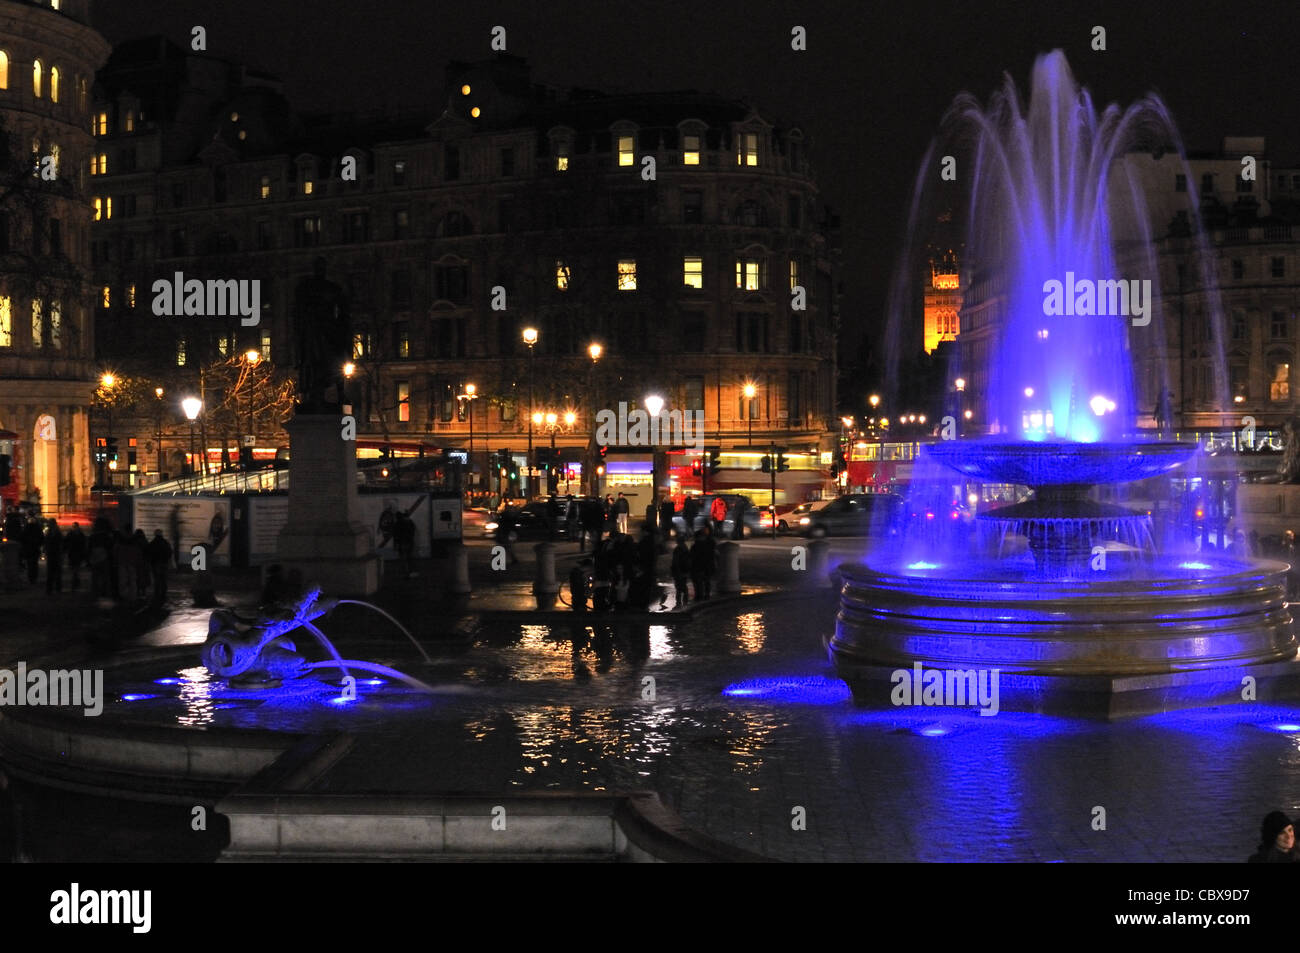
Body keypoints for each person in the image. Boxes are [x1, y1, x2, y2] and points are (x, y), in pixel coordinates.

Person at [146, 529, 173, 604]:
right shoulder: (165, 542)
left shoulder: (153, 543)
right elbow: (170, 552)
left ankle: (157, 593)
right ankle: (163, 594)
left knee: (157, 579)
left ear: (155, 534)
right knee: (163, 579)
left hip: (155, 563)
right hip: (164, 563)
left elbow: (149, 553)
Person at [691, 526, 716, 600]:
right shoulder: (708, 544)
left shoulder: (697, 546)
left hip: (700, 567)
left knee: (700, 582)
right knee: (705, 582)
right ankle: (704, 595)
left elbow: (693, 557)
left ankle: (700, 595)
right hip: (705, 566)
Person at [42, 520, 63, 594]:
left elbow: (47, 542)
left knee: (52, 572)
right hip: (54, 553)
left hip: (54, 553)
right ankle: (54, 588)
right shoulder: (55, 532)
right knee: (54, 572)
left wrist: (45, 550)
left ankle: (52, 588)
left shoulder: (51, 532)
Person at [671, 533, 691, 609]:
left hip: (678, 571)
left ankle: (679, 602)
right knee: (683, 585)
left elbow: (675, 562)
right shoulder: (686, 548)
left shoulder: (678, 549)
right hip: (685, 571)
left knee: (679, 587)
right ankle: (685, 601)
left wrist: (674, 571)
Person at [394, 510, 416, 577]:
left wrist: (396, 544)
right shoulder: (409, 522)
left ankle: (405, 572)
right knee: (409, 557)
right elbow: (413, 530)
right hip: (409, 542)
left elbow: (396, 535)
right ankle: (409, 571)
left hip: (402, 542)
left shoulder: (397, 524)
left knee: (403, 558)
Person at [64, 522, 86, 591]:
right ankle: (75, 581)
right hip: (76, 553)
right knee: (75, 568)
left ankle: (75, 581)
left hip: (74, 553)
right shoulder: (80, 534)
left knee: (74, 568)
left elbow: (66, 542)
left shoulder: (71, 534)